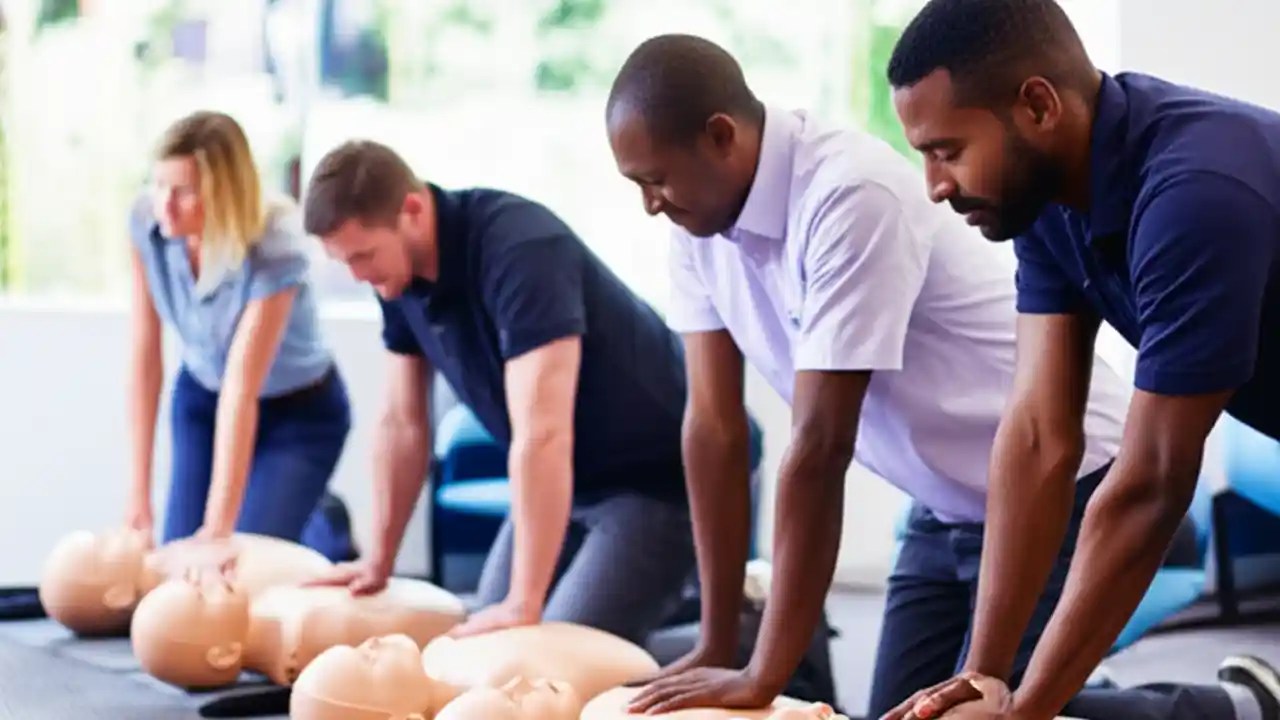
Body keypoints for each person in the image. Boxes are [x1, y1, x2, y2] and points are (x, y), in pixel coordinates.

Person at [602, 33, 1134, 719]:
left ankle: (1219, 707)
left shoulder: (848, 192)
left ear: (721, 137)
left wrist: (764, 672)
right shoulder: (695, 224)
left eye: (656, 180)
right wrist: (717, 639)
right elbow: (714, 428)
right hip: (944, 504)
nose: (650, 204)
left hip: (1063, 481)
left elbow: (821, 444)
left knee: (991, 714)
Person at [885, 1, 1280, 718]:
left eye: (946, 150)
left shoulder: (1196, 194)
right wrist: (984, 674)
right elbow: (1037, 436)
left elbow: (1151, 486)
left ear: (1037, 105)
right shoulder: (1043, 201)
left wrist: (1028, 711)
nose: (935, 185)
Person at [299, 140, 705, 645]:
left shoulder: (520, 251)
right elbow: (402, 424)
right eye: (345, 263)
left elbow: (543, 432)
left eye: (363, 255)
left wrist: (524, 603)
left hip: (663, 480)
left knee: (543, 660)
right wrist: (378, 559)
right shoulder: (394, 279)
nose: (359, 276)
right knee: (485, 649)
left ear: (412, 209)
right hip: (574, 480)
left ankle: (736, 632)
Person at [128, 111, 354, 567]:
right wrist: (138, 496)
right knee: (177, 569)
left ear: (223, 192)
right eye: (159, 187)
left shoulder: (276, 244)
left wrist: (217, 530)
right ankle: (291, 511)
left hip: (299, 415)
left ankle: (323, 525)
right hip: (202, 400)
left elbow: (242, 385)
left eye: (184, 192)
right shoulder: (147, 223)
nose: (165, 206)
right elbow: (145, 355)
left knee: (239, 570)